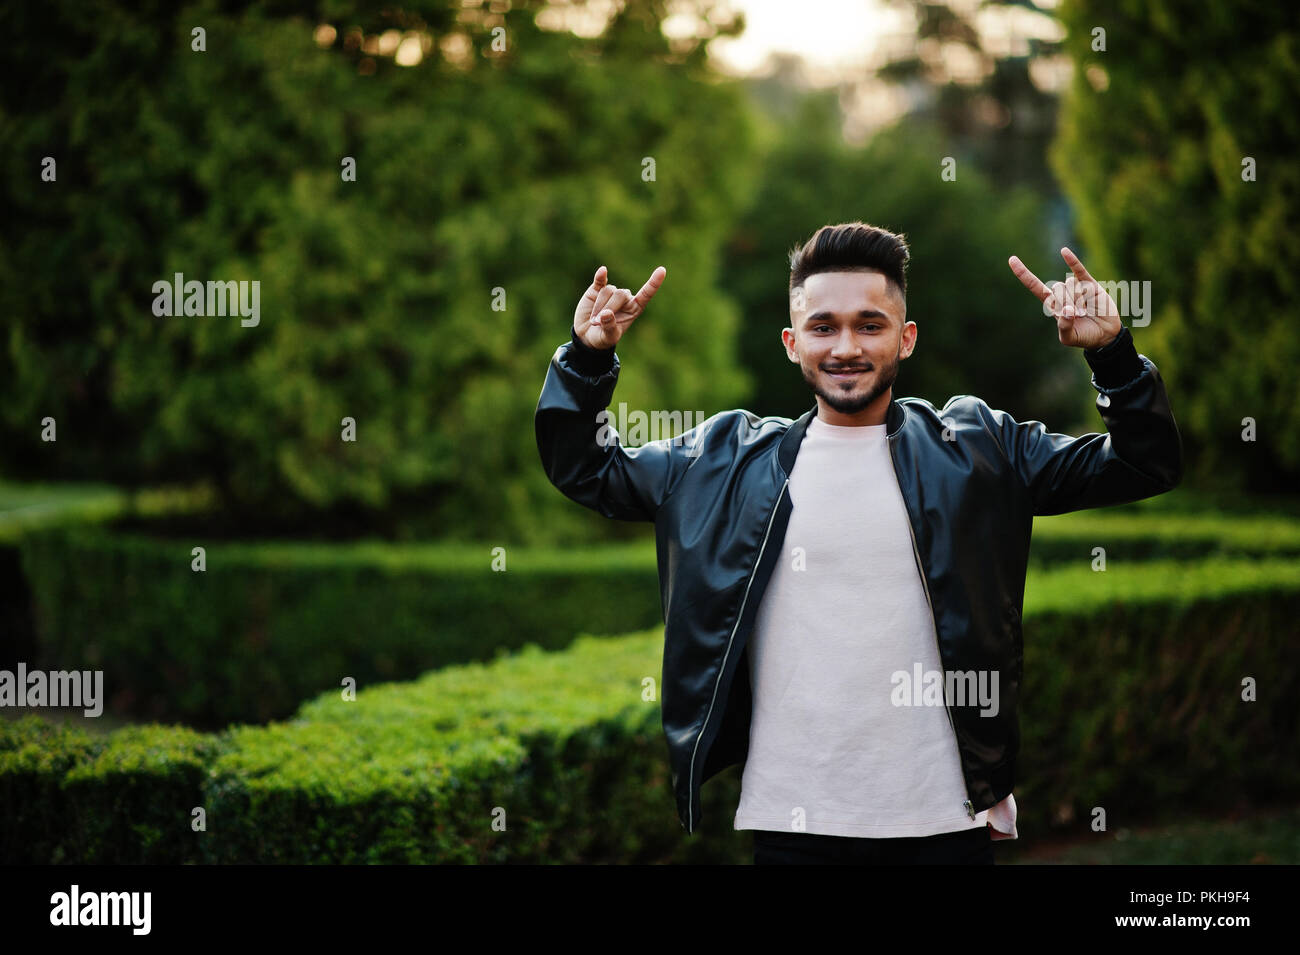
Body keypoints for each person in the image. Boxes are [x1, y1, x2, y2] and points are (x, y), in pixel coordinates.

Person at [535, 222, 1183, 864]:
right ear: (792, 343)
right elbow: (589, 471)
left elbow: (1143, 464)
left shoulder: (983, 448)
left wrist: (1114, 356)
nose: (846, 345)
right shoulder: (719, 459)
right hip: (793, 823)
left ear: (906, 339)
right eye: (824, 326)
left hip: (945, 821)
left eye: (870, 324)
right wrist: (588, 360)